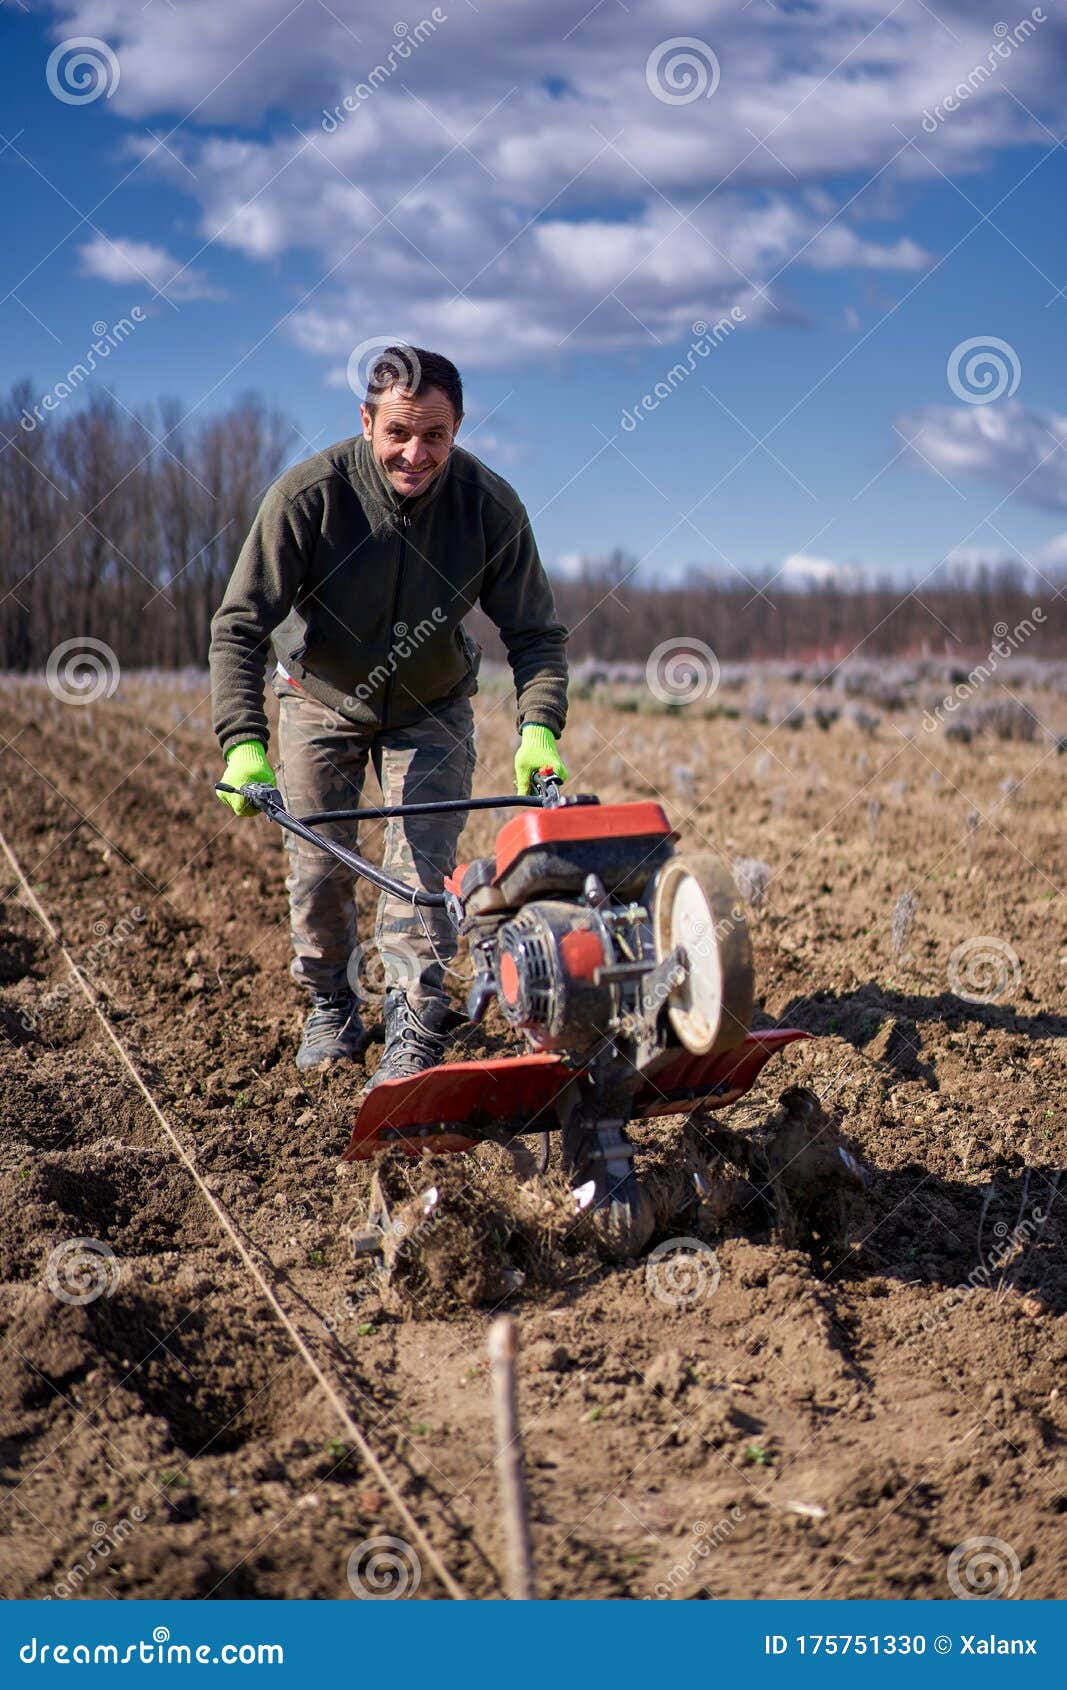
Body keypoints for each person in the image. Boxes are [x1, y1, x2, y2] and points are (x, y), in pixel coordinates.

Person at [209, 345, 569, 1083]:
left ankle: (414, 1021)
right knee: (317, 872)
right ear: (366, 421)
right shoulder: (309, 498)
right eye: (398, 432)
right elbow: (239, 625)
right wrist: (242, 742)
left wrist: (538, 729)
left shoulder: (487, 507)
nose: (415, 453)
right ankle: (331, 1001)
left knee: (420, 877)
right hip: (322, 699)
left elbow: (535, 633)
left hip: (431, 708)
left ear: (457, 430)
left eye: (435, 436)